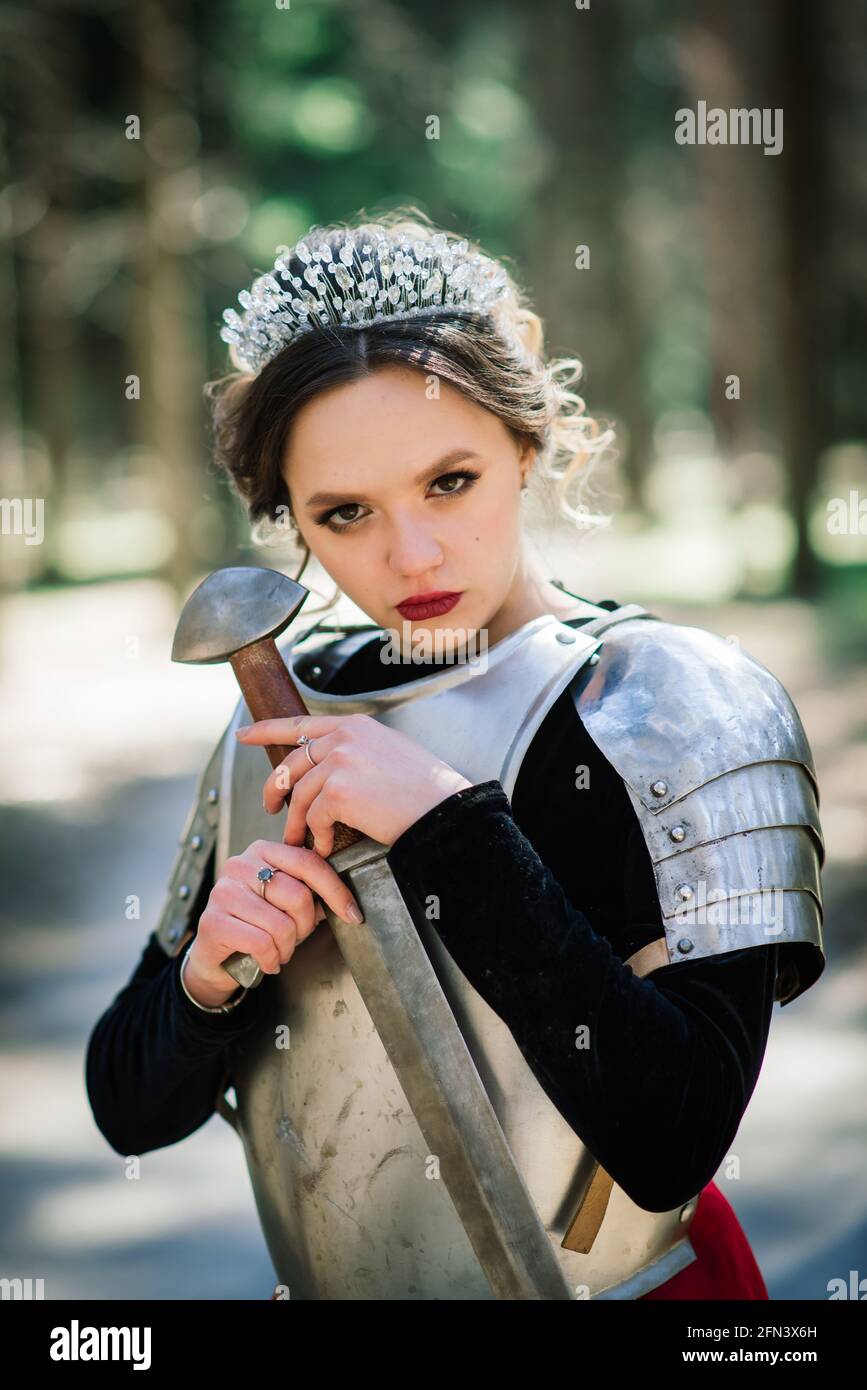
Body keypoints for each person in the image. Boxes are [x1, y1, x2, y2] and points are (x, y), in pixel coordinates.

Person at [85, 208, 825, 1300]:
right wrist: (204, 980)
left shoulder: (666, 706)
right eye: (345, 512)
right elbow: (126, 1109)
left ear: (526, 443)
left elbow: (675, 1138)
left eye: (449, 481)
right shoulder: (279, 719)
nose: (413, 554)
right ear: (289, 518)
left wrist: (446, 823)